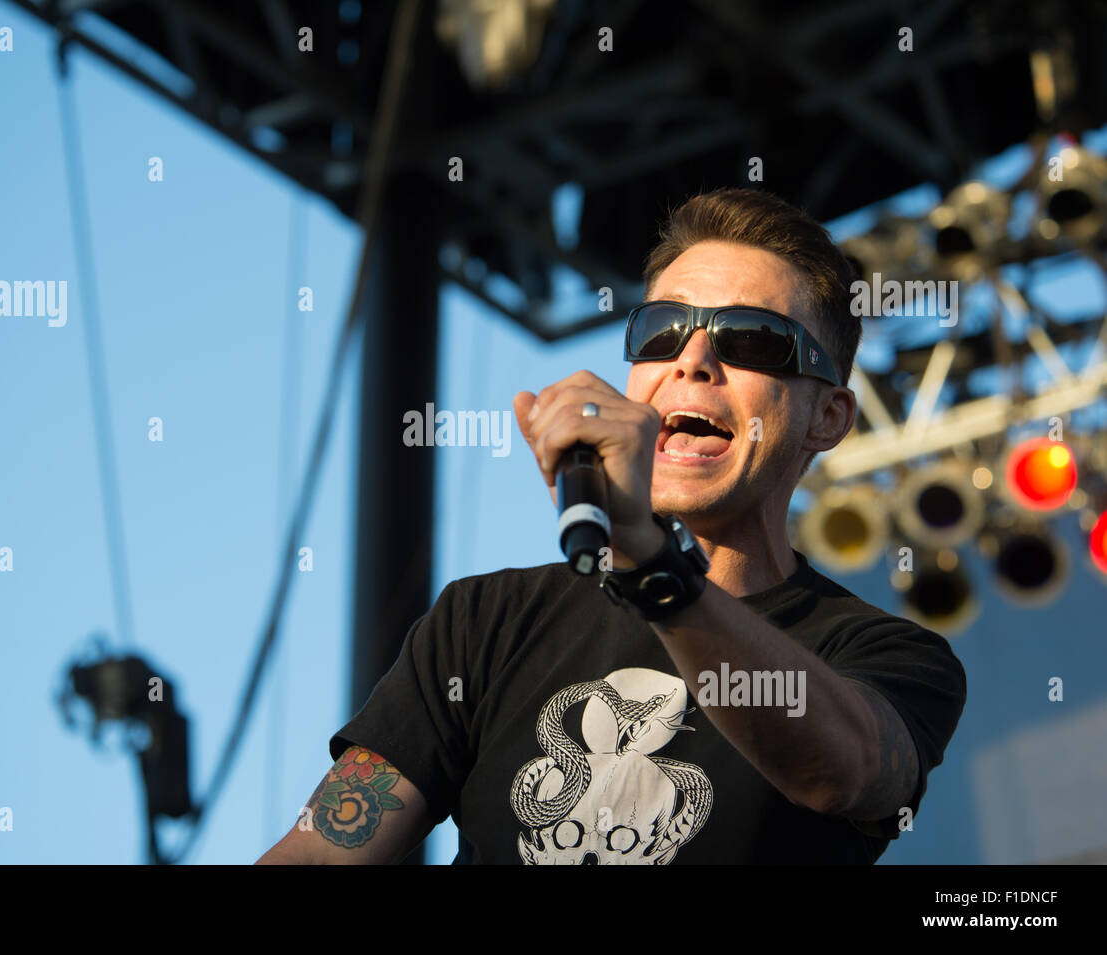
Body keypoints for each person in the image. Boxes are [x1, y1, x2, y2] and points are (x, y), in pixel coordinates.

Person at [257, 187, 966, 865]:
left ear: (829, 417)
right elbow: (323, 848)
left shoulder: (886, 653)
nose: (693, 361)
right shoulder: (489, 620)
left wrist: (649, 561)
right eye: (663, 332)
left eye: (752, 337)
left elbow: (840, 770)